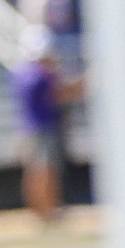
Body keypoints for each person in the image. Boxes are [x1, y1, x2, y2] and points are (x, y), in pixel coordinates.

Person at [14, 26, 82, 222]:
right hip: (42, 127)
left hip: (30, 127)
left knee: (35, 170)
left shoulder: (23, 71)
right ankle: (48, 210)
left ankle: (39, 211)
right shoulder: (39, 74)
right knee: (45, 170)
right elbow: (60, 93)